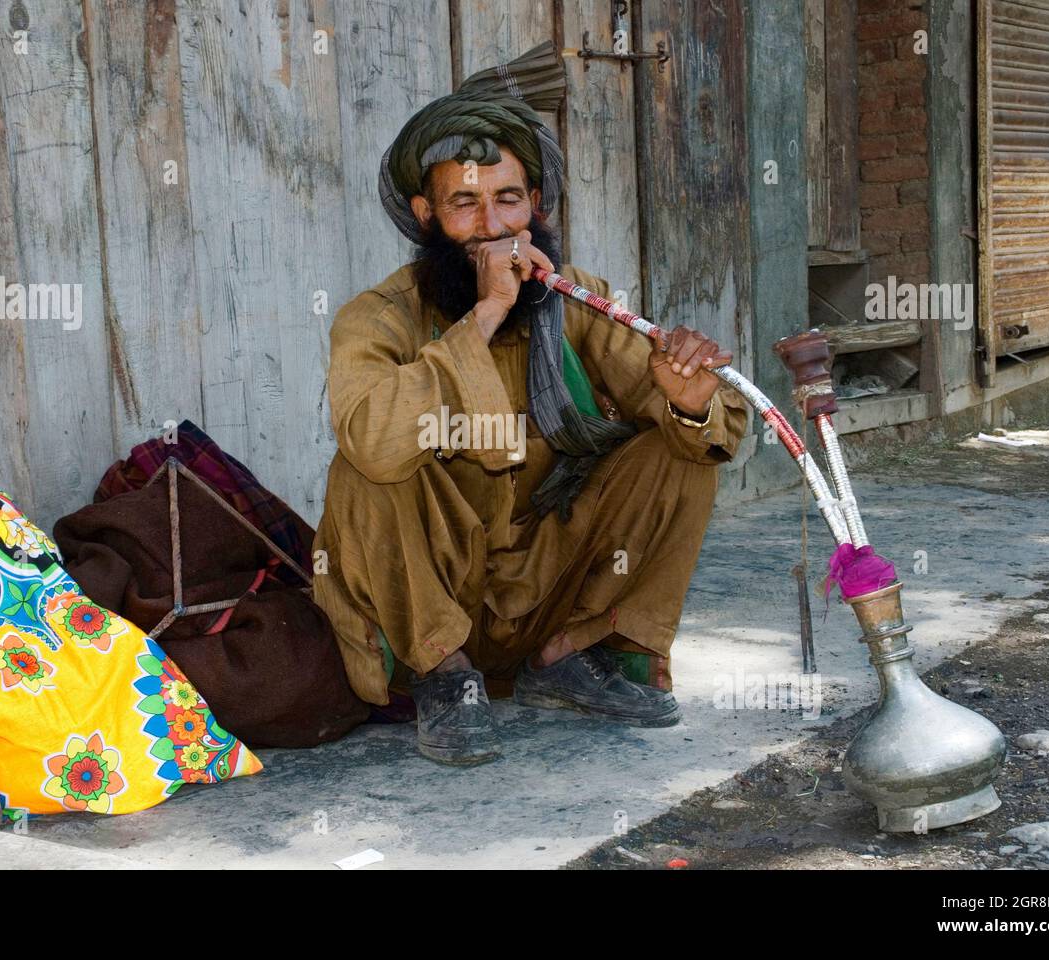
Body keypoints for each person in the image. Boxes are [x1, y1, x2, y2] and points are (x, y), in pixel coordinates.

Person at [312, 42, 749, 765]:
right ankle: (446, 680)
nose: (492, 225)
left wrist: (693, 401)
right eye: (464, 203)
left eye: (508, 199)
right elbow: (374, 439)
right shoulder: (378, 316)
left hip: (545, 587)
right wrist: (483, 316)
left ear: (536, 205)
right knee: (367, 463)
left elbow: (690, 417)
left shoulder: (576, 296)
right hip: (429, 598)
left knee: (679, 450)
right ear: (426, 215)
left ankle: (581, 655)